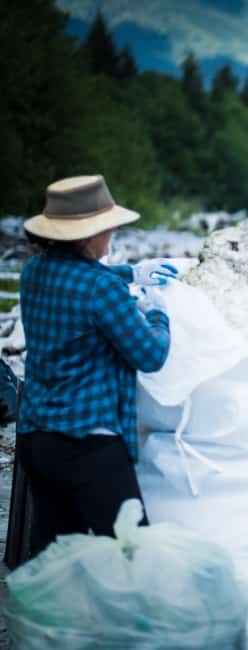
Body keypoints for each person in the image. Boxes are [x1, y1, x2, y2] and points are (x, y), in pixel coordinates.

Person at [17, 175, 175, 556]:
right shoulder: (99, 289)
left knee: (55, 560)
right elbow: (150, 355)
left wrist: (132, 273)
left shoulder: (34, 271)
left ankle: (42, 617)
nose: (113, 236)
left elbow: (81, 279)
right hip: (89, 445)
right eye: (109, 230)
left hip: (38, 438)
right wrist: (158, 315)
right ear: (88, 236)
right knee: (132, 552)